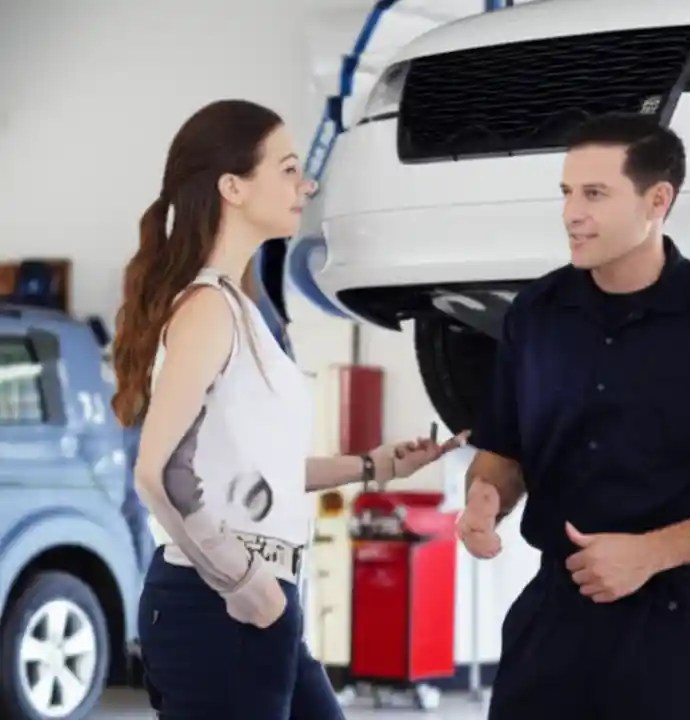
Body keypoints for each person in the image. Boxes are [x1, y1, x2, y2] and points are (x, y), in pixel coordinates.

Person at [110, 99, 467, 720]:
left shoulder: (240, 306)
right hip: (220, 598)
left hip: (260, 595)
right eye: (288, 168)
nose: (307, 184)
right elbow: (158, 471)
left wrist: (372, 465)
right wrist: (242, 582)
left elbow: (255, 467)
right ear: (232, 187)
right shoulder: (207, 310)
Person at [456, 112, 690, 719]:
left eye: (595, 193)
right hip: (554, 621)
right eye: (567, 192)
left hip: (675, 634)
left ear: (658, 200)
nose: (572, 212)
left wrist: (651, 552)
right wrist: (485, 497)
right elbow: (506, 451)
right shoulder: (534, 314)